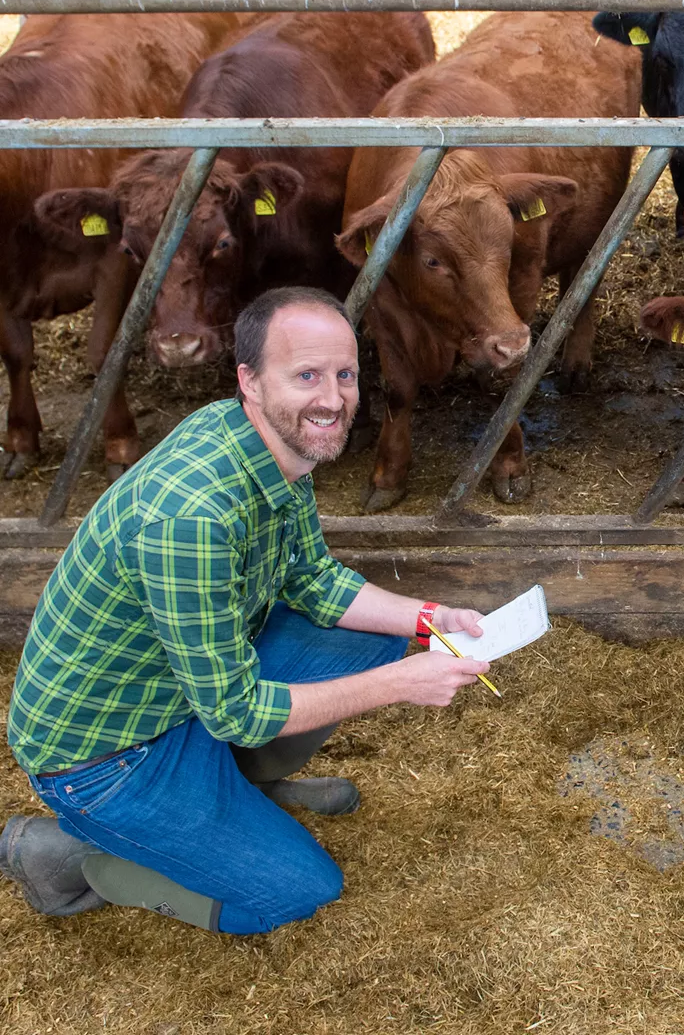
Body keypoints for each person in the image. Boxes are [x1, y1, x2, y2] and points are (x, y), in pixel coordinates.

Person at [1, 286, 491, 933]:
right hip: (108, 757)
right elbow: (238, 712)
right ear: (250, 382)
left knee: (370, 638)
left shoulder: (280, 442)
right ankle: (69, 856)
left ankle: (237, 791)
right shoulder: (191, 519)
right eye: (308, 375)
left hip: (184, 694)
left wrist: (432, 619)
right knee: (299, 891)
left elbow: (314, 579)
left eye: (345, 375)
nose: (333, 398)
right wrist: (403, 684)